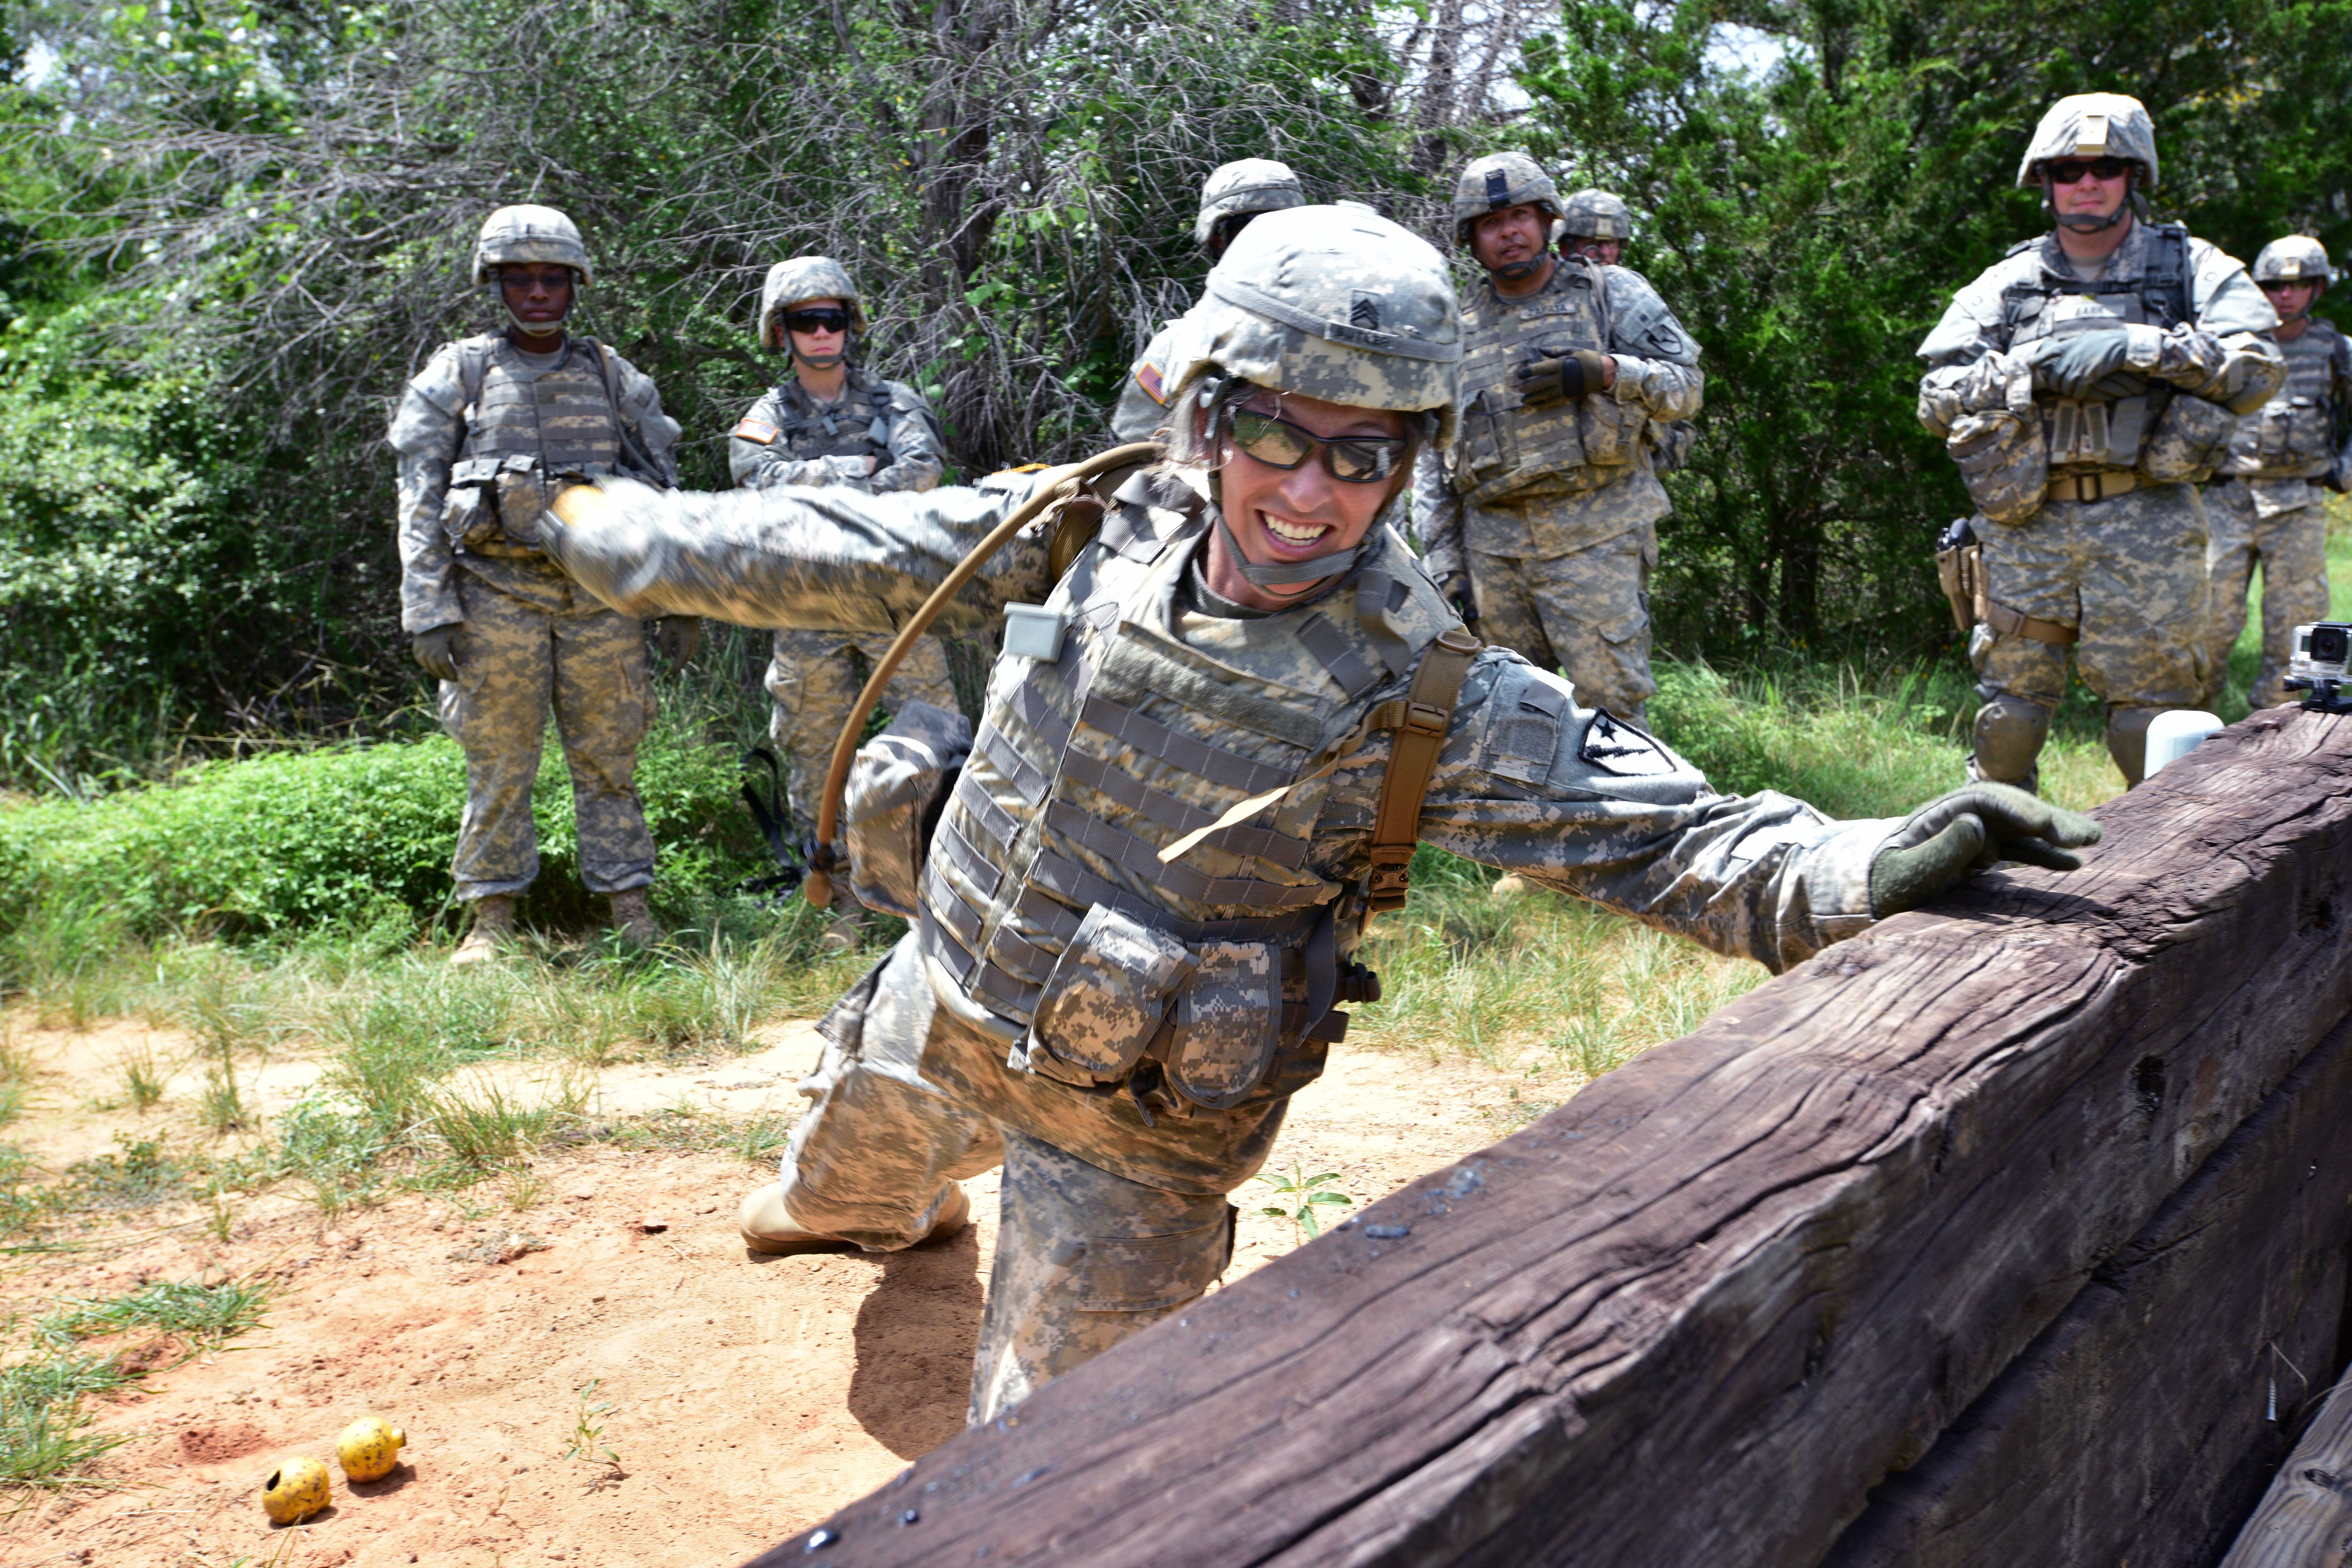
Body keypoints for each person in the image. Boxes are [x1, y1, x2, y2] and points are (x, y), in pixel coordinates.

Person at [536, 205, 2100, 1425]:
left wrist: (1858, 864)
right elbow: (851, 541)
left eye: (1363, 454)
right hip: (937, 1005)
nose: (1308, 492)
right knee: (822, 1192)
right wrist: (613, 534)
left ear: (1408, 457)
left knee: (1057, 1478)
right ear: (1209, 413)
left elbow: (1677, 840)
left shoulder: (1419, 689)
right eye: (1277, 432)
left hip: (1130, 1142)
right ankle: (875, 1205)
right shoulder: (1094, 521)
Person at [1916, 93, 2283, 791]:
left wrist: (2144, 348)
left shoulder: (2190, 268)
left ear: (2133, 175)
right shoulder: (2010, 282)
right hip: (2026, 525)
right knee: (2007, 722)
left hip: (2146, 519)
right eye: (2066, 169)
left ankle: (2169, 874)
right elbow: (1935, 396)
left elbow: (2258, 367)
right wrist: (2028, 368)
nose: (2086, 183)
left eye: (2106, 166)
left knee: (2153, 727)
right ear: (2043, 180)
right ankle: (1993, 864)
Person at [388, 205, 684, 965]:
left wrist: (676, 594)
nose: (538, 293)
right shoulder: (461, 374)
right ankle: (491, 919)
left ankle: (628, 905)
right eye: (520, 280)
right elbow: (419, 495)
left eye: (552, 279)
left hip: (600, 599)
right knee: (499, 761)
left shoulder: (614, 378)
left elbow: (664, 492)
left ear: (574, 284)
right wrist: (429, 605)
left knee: (610, 757)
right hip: (494, 596)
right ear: (497, 286)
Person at [1414, 151, 1705, 728]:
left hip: (1595, 536)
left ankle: (1639, 819)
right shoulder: (1455, 326)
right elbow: (1434, 458)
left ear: (1548, 220)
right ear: (1471, 240)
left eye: (1520, 216)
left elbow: (1688, 390)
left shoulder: (1610, 293)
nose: (1509, 233)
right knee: (1514, 719)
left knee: (1614, 713)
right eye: (1491, 224)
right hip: (1494, 551)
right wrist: (1445, 565)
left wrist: (1607, 373)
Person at [730, 256, 956, 940]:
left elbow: (920, 474)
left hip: (892, 597)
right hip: (807, 607)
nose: (821, 332)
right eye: (806, 321)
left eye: (831, 318)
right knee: (814, 748)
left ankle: (945, 884)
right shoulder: (766, 415)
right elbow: (754, 481)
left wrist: (813, 486)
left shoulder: (894, 402)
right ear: (782, 331)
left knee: (935, 739)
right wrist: (856, 471)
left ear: (849, 325)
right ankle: (843, 895)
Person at [2204, 235, 2351, 709]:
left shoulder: (2336, 348)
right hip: (2226, 499)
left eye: (2299, 284)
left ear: (2318, 289)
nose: (2285, 295)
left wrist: (2346, 469)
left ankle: (2277, 734)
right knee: (2207, 619)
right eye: (2274, 285)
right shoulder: (2231, 344)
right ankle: (2187, 723)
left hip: (2298, 503)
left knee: (2296, 627)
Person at [1110, 158, 1307, 442]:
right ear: (1217, 241)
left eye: (1282, 235)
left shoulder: (1338, 337)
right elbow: (1131, 464)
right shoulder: (1180, 349)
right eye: (1248, 235)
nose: (1268, 251)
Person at [1559, 186, 1696, 475]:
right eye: (1594, 242)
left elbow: (1689, 387)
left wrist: (1612, 372)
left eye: (1613, 243)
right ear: (1565, 246)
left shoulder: (1625, 293)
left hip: (1623, 475)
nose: (1605, 253)